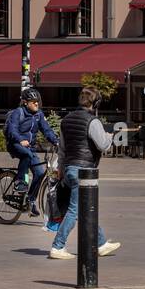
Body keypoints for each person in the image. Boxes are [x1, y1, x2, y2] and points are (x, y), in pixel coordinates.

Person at [50, 87, 121, 260]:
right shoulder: (92, 121)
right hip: (85, 170)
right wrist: (110, 136)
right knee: (75, 210)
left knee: (84, 209)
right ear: (96, 103)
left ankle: (101, 243)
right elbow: (103, 145)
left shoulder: (66, 120)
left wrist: (60, 169)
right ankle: (57, 246)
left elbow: (62, 149)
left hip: (69, 169)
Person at [6, 87, 60, 216]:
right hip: (15, 144)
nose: (37, 103)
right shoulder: (18, 113)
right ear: (25, 102)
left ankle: (30, 200)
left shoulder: (39, 114)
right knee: (26, 154)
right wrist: (20, 140)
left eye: (38, 101)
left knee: (40, 173)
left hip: (30, 147)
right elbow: (12, 130)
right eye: (33, 101)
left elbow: (46, 130)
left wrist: (57, 142)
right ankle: (20, 182)